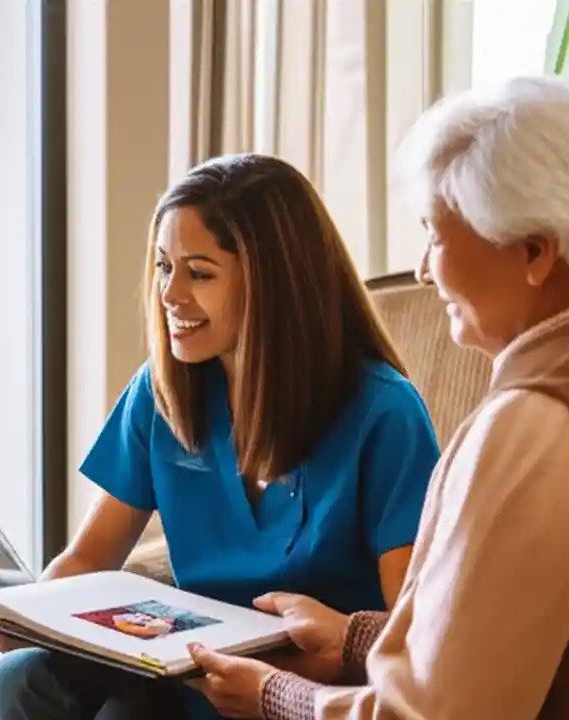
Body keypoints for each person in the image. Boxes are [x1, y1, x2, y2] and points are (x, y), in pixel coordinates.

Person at [0, 153, 441, 720]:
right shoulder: (163, 391)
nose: (170, 295)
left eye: (199, 272)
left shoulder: (384, 413)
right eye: (163, 266)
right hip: (182, 670)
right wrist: (19, 617)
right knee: (22, 676)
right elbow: (89, 558)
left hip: (299, 689)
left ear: (275, 284)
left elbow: (414, 632)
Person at [186, 75, 569, 720]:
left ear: (534, 252)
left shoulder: (530, 427)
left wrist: (276, 696)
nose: (422, 270)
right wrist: (355, 637)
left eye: (435, 235)